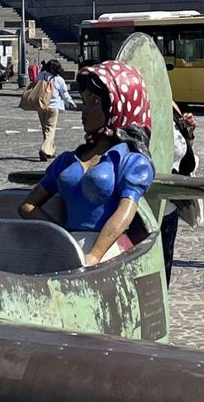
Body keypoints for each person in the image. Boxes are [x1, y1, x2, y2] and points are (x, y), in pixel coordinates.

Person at [19, 60, 156, 267]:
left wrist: (95, 254)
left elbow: (125, 213)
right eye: (84, 101)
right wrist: (62, 236)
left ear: (117, 107)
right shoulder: (68, 160)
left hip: (109, 253)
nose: (85, 111)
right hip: (69, 250)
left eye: (95, 103)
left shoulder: (130, 162)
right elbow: (27, 206)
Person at [159, 104, 199, 281]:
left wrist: (188, 133)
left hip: (169, 208)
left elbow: (181, 153)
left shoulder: (171, 105)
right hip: (146, 209)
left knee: (163, 272)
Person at [34, 59, 73, 161]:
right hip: (53, 106)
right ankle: (44, 149)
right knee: (50, 130)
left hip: (41, 105)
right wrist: (70, 101)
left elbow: (35, 84)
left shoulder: (41, 75)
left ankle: (50, 151)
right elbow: (64, 92)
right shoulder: (58, 79)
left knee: (45, 129)